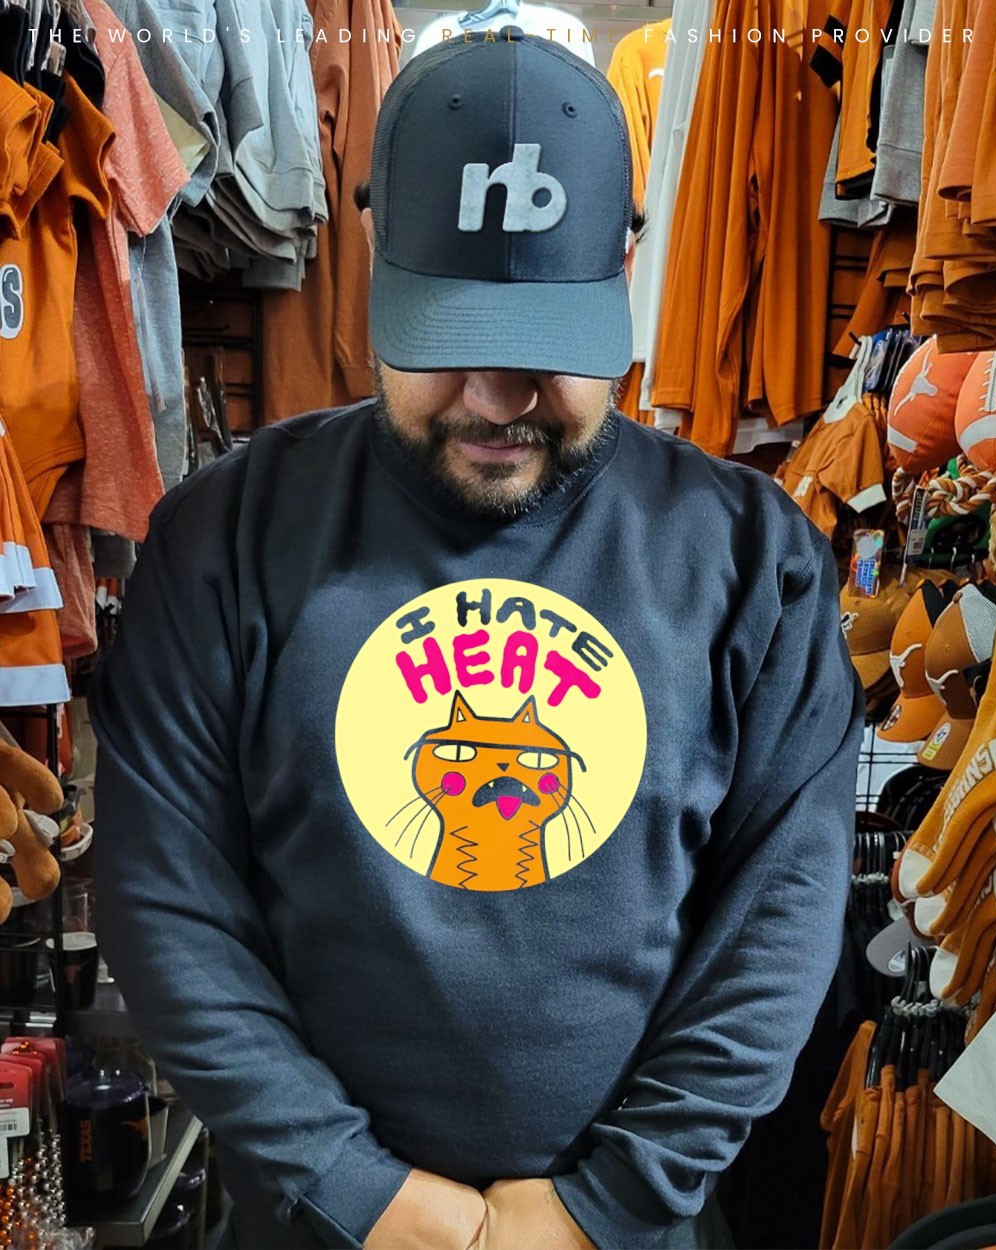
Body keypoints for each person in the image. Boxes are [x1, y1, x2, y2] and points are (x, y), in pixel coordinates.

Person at [90, 30, 864, 1250]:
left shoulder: (750, 557)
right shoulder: (222, 538)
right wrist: (355, 1186)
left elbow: (780, 913)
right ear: (375, 262)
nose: (497, 399)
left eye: (545, 342)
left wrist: (603, 1202)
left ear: (621, 266)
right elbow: (166, 899)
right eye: (449, 335)